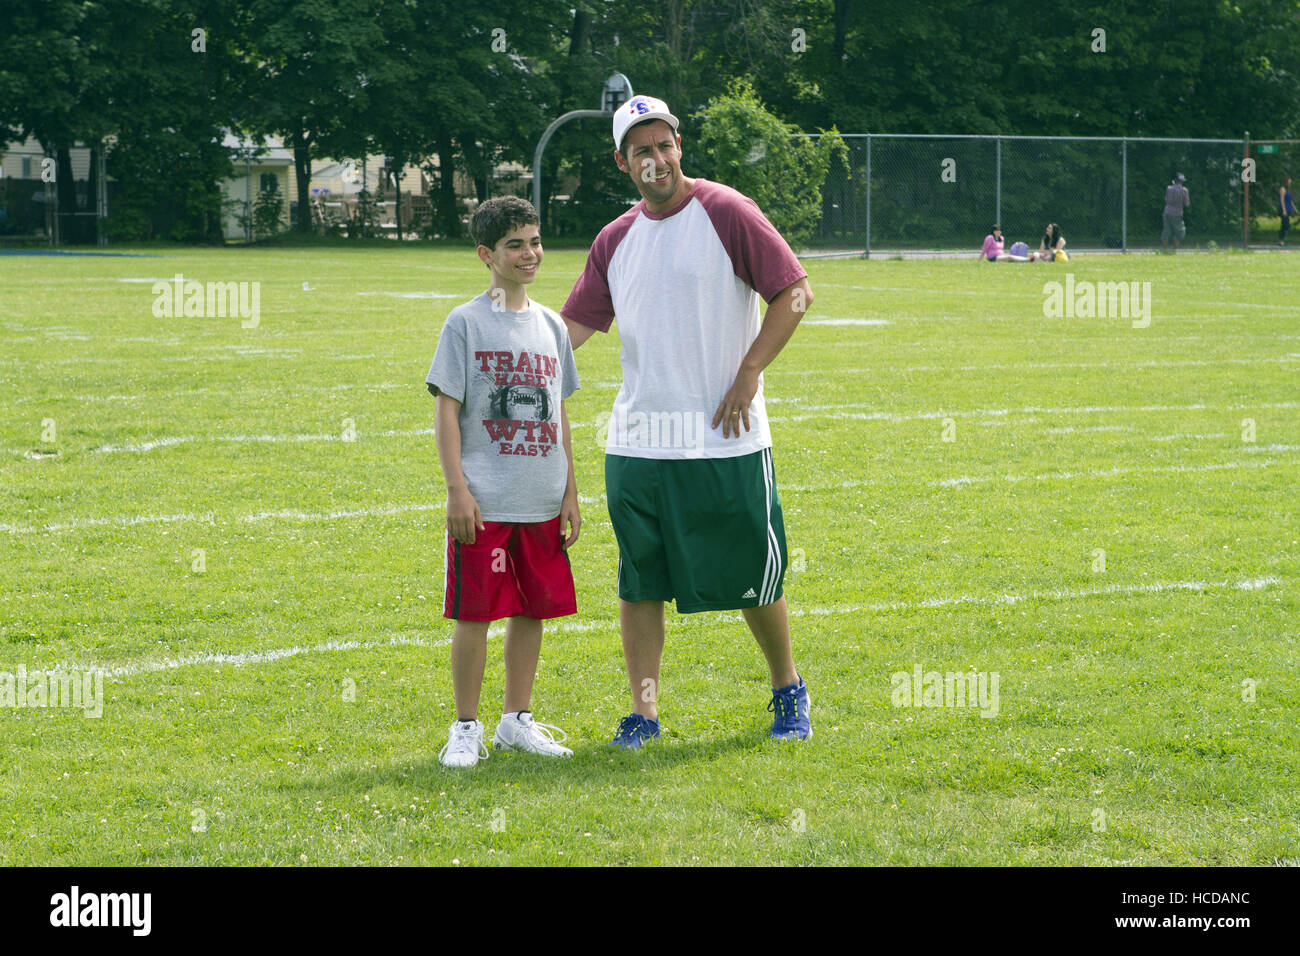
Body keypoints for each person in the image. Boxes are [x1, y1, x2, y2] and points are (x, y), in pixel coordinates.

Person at [561, 94, 814, 749]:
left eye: (665, 144)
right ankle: (643, 714)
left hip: (725, 440)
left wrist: (751, 370)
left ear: (680, 146)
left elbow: (793, 293)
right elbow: (577, 327)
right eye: (642, 150)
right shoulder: (614, 239)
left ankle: (788, 691)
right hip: (639, 445)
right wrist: (510, 356)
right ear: (623, 161)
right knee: (639, 583)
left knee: (755, 578)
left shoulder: (728, 211)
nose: (657, 158)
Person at [424, 196, 582, 767]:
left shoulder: (552, 325)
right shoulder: (465, 322)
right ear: (486, 254)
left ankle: (517, 720)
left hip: (541, 496)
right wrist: (457, 489)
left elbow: (560, 413)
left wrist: (569, 490)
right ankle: (466, 726)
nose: (529, 253)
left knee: (532, 610)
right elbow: (447, 409)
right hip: (485, 500)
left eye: (535, 241)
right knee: (475, 614)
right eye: (515, 244)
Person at [1162, 173, 1190, 252]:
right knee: (1180, 232)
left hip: (1167, 212)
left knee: (1166, 231)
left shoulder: (1169, 188)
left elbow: (1166, 200)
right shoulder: (1184, 190)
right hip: (1178, 213)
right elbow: (1187, 203)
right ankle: (1174, 250)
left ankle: (1165, 250)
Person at [1280, 177, 1293, 246]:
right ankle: (1281, 240)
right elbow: (1282, 200)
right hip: (1285, 210)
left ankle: (1282, 240)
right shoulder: (1282, 189)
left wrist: (1294, 208)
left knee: (1287, 225)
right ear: (1286, 182)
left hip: (1289, 209)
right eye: (1289, 182)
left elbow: (1290, 201)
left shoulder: (1288, 190)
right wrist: (1284, 210)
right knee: (1285, 225)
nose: (1289, 183)